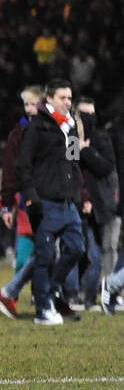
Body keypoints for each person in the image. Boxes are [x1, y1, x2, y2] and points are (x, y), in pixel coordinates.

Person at [18, 80, 88, 325]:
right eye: (63, 98)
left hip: (68, 203)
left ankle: (52, 290)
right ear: (50, 99)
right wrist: (31, 198)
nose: (68, 102)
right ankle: (42, 310)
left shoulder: (70, 129)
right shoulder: (36, 127)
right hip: (44, 202)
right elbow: (23, 166)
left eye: (70, 98)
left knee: (77, 248)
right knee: (45, 257)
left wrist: (80, 196)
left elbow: (74, 164)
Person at [0, 86, 43, 318]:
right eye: (27, 105)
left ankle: (41, 296)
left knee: (49, 252)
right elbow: (9, 173)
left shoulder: (54, 130)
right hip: (25, 203)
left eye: (34, 104)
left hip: (49, 198)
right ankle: (13, 295)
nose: (30, 109)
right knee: (25, 256)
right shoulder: (17, 134)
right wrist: (6, 205)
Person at [65, 96, 116, 308]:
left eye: (92, 114)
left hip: (97, 206)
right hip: (78, 202)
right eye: (85, 114)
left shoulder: (100, 138)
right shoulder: (72, 139)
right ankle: (73, 295)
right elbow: (72, 168)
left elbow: (106, 166)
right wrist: (80, 148)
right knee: (77, 251)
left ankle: (89, 298)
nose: (89, 119)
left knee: (94, 254)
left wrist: (86, 151)